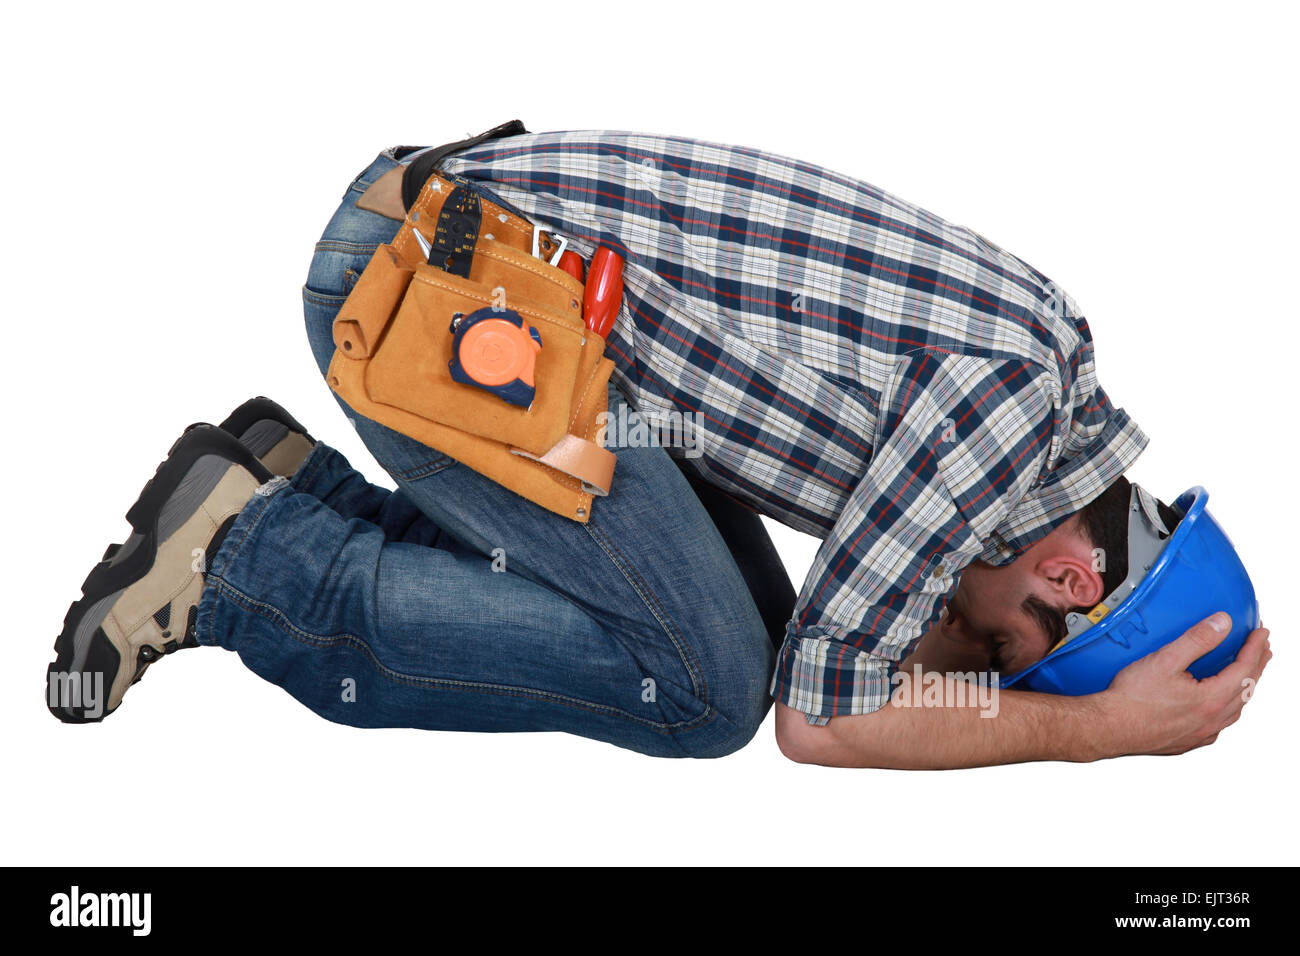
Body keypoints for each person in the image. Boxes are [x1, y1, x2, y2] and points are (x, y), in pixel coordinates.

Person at [46, 128, 1270, 765]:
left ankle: (284, 492)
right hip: (435, 297)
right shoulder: (1001, 420)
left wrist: (997, 681)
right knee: (704, 690)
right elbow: (820, 717)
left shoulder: (1042, 376)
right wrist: (1082, 728)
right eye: (996, 640)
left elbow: (845, 659)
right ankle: (245, 565)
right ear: (1070, 574)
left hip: (487, 275)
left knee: (741, 628)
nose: (957, 641)